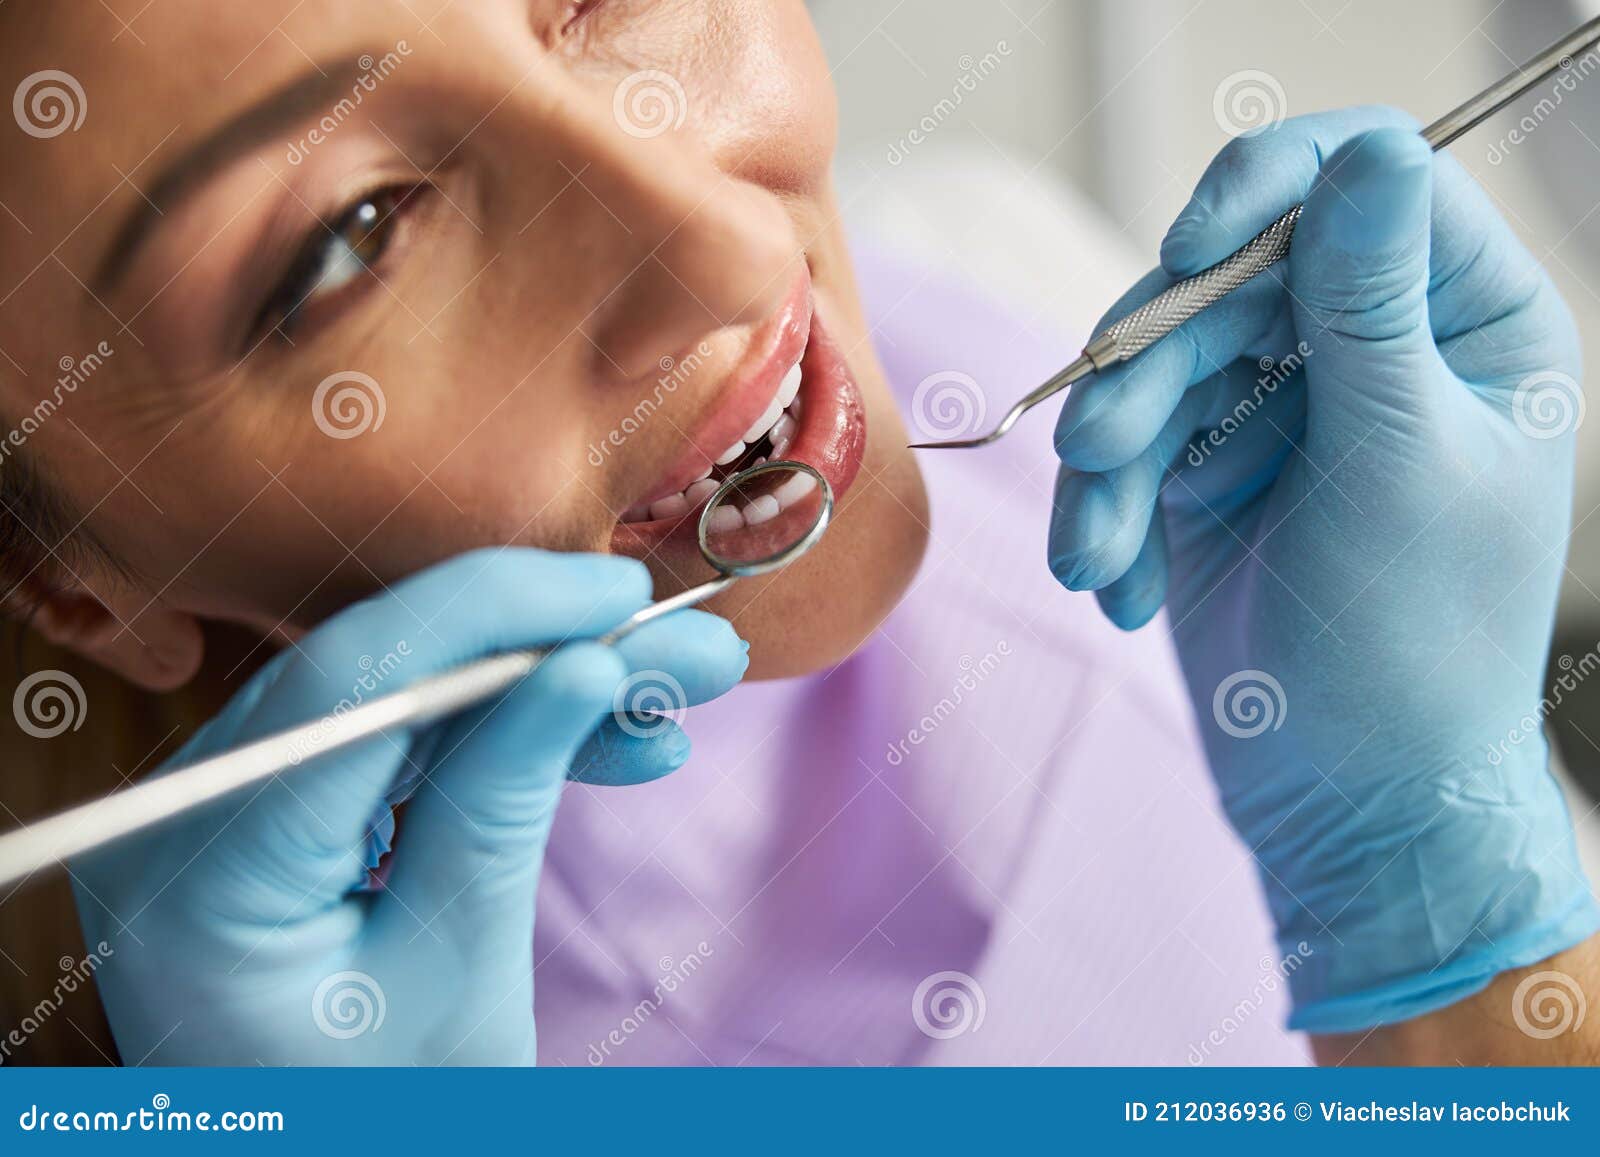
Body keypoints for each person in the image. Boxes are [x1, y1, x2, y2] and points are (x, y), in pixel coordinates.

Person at [0, 0, 1594, 1066]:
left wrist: (1438, 890)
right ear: (76, 586)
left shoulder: (984, 262)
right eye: (351, 241)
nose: (728, 245)